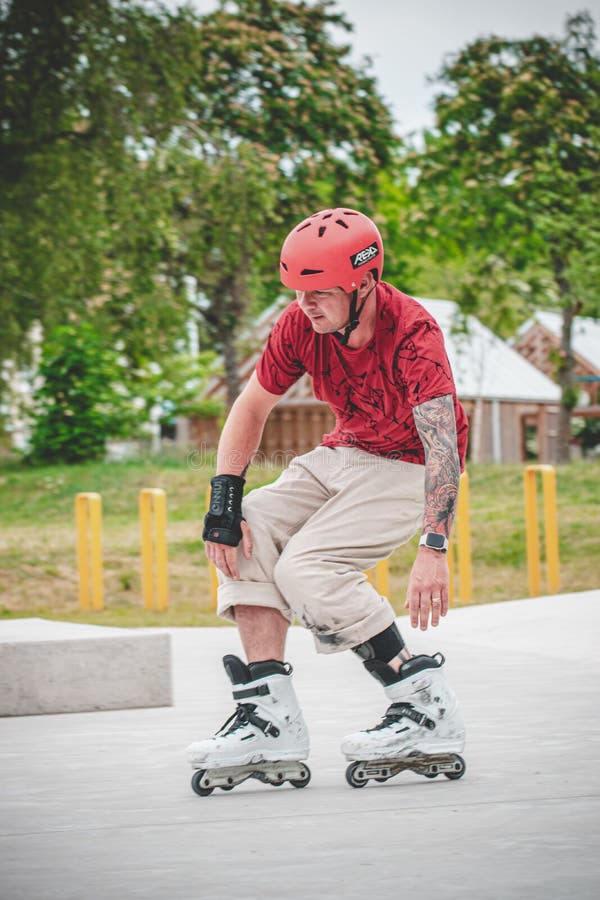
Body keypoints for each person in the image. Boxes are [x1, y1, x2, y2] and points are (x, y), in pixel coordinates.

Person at [187, 208, 468, 781]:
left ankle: (424, 705)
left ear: (363, 283)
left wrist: (434, 548)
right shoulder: (299, 325)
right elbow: (251, 407)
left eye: (319, 292)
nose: (304, 305)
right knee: (250, 526)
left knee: (308, 571)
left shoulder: (414, 333)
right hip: (345, 452)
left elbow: (443, 446)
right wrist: (223, 501)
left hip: (411, 465)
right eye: (296, 292)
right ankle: (267, 720)